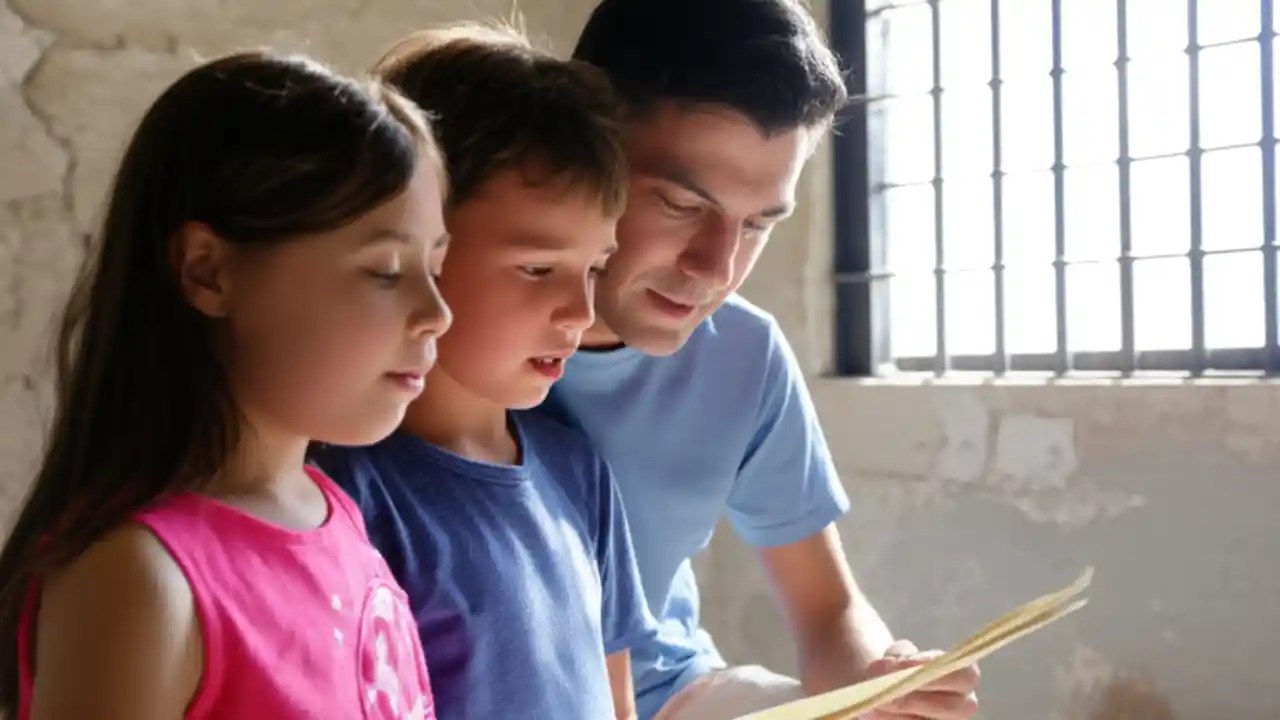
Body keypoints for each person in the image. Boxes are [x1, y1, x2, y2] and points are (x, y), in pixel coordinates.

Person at [538, 1, 984, 718]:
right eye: (682, 205)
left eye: (758, 225)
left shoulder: (741, 353)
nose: (716, 267)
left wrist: (883, 684)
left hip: (668, 691)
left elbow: (827, 609)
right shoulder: (441, 338)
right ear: (581, 142)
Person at [0, 51, 451, 719]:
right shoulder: (137, 581)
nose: (437, 312)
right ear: (208, 272)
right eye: (385, 270)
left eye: (436, 264)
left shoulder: (335, 515)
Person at [313, 25, 652, 720]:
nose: (579, 311)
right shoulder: (343, 492)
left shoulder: (579, 472)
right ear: (419, 246)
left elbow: (617, 703)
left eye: (594, 267)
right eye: (536, 268)